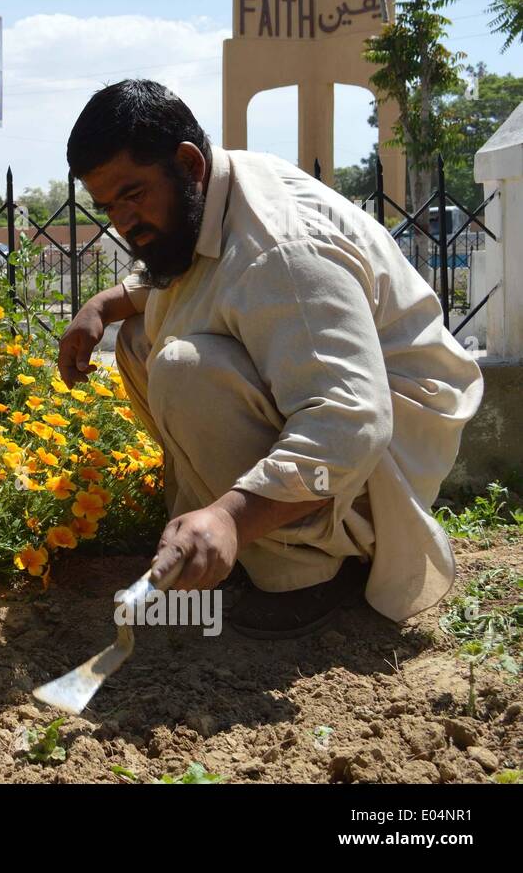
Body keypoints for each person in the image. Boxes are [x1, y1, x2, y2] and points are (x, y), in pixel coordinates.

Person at [59, 78, 482, 639]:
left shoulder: (283, 246)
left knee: (184, 366)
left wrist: (231, 517)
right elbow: (195, 273)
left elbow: (351, 419)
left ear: (188, 165)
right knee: (141, 338)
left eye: (133, 196)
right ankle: (227, 536)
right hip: (346, 417)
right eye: (109, 205)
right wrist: (102, 304)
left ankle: (303, 568)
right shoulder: (213, 194)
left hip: (382, 459)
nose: (123, 222)